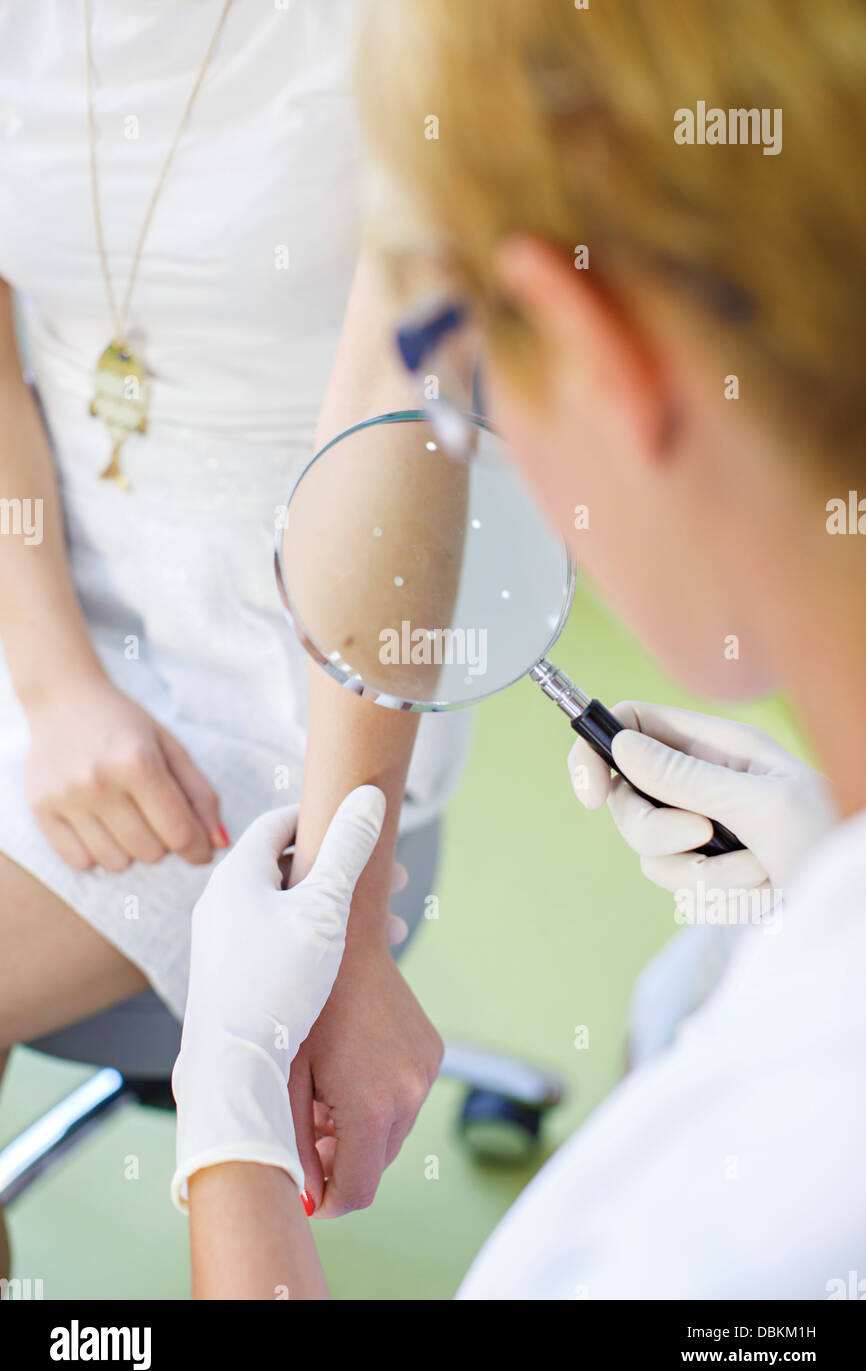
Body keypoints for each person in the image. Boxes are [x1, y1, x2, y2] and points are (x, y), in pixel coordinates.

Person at [172, 0, 866, 1297]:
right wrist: (807, 891)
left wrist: (231, 1140)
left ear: (604, 357)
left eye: (448, 355)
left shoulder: (700, 1243)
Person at [0, 0, 472, 1272]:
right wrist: (56, 687)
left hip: (309, 663)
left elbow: (396, 413)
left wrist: (347, 917)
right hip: (36, 579)